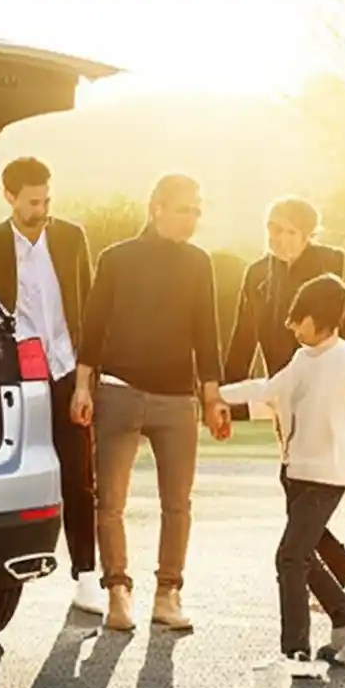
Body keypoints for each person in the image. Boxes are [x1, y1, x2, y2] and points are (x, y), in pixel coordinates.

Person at [69, 173, 228, 632]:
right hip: (119, 391)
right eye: (184, 209)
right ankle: (117, 591)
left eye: (197, 210)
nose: (192, 218)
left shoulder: (198, 262)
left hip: (177, 400)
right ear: (157, 207)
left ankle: (167, 594)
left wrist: (212, 396)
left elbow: (207, 331)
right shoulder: (117, 258)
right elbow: (93, 325)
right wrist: (83, 386)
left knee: (178, 503)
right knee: (110, 502)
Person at [217, 273, 345, 675]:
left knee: (289, 557)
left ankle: (295, 653)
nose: (292, 325)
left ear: (323, 316)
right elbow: (267, 390)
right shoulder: (300, 359)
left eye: (300, 317)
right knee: (303, 555)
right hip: (295, 473)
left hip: (327, 477)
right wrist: (216, 395)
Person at [0, 157, 107, 615]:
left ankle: (86, 576)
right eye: (33, 202)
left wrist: (87, 379)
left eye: (47, 200)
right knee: (11, 476)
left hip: (68, 374)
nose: (42, 209)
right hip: (17, 383)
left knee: (79, 478)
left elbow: (89, 310)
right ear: (9, 197)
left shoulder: (71, 238)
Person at [224, 196, 345, 600]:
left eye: (290, 231)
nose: (280, 238)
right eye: (274, 229)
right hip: (284, 395)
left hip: (324, 390)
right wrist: (226, 397)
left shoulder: (329, 267)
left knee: (304, 485)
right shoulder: (257, 274)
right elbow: (243, 336)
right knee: (295, 483)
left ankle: (324, 573)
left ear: (308, 235)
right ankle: (334, 567)